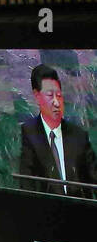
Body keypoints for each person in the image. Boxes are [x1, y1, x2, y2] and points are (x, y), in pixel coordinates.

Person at [18, 63, 97, 196]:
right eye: (50, 95)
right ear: (37, 96)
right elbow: (27, 184)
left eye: (59, 95)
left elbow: (94, 176)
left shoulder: (78, 135)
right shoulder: (29, 133)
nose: (56, 102)